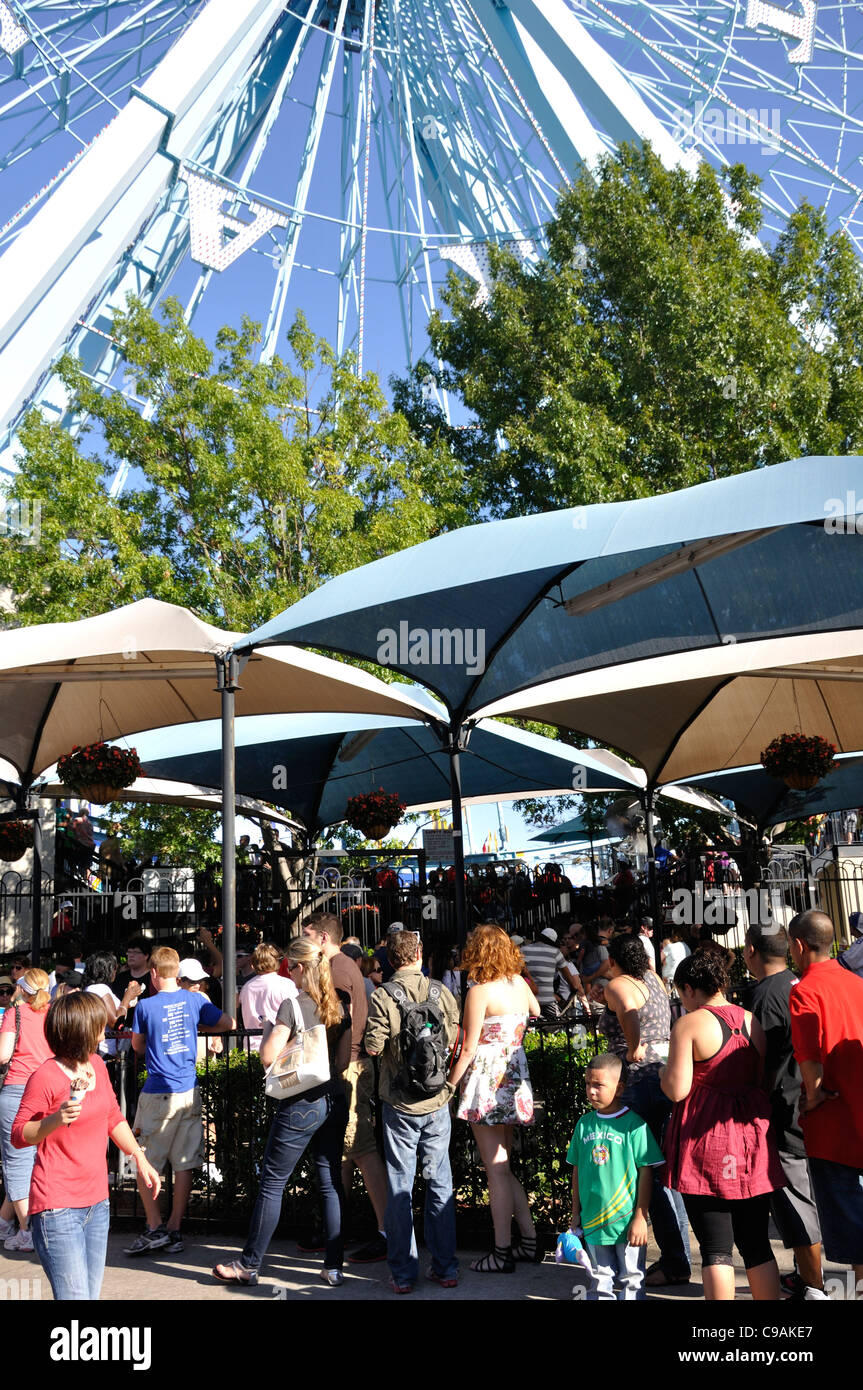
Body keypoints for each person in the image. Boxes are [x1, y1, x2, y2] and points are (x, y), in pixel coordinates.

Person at [212, 936, 350, 1288]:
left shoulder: (293, 1005)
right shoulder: (339, 1005)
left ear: (300, 967)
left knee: (273, 1183)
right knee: (330, 1183)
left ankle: (249, 1264)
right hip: (333, 1098)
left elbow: (268, 1055)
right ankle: (333, 1267)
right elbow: (344, 1060)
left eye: (291, 965)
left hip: (300, 1103)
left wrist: (274, 1030)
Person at [11, 992, 161, 1300]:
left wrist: (139, 1157)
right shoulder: (45, 1076)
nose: (103, 1030)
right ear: (80, 1030)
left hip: (97, 1203)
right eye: (98, 1024)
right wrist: (56, 1118)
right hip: (57, 1208)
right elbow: (18, 1134)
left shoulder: (97, 1064)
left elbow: (113, 1117)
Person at [661, 952, 784, 1300]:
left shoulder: (689, 1024)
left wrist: (661, 1074)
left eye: (681, 994)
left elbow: (677, 1088)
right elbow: (758, 1078)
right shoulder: (750, 1020)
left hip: (707, 1141)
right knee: (757, 1243)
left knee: (716, 1248)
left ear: (688, 988)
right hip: (751, 1139)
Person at [364, 929, 460, 1294]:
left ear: (391, 957)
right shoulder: (441, 992)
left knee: (400, 1186)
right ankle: (445, 1267)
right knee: (439, 1184)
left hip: (399, 1102)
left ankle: (404, 1273)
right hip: (436, 1101)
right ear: (419, 954)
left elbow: (373, 1046)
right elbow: (452, 1039)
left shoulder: (384, 995)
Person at [125, 946, 233, 1256]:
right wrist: (196, 1027)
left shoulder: (145, 1007)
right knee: (184, 1163)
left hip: (157, 1091)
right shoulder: (196, 999)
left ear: (155, 974)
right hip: (189, 1089)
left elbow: (137, 1047)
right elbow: (227, 1024)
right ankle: (174, 1229)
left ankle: (154, 1225)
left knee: (145, 1160)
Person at [597, 935, 691, 1288]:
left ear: (613, 959)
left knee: (640, 1172)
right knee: (664, 1172)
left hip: (635, 1081)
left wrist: (633, 1047)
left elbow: (629, 1012)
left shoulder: (617, 984)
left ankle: (665, 1261)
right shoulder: (651, 977)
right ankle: (677, 1257)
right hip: (663, 1076)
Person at [448, 925, 540, 1271]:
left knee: (495, 1170)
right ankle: (528, 1241)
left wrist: (450, 1085)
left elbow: (469, 1046)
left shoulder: (479, 991)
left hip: (486, 1077)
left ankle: (501, 1252)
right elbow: (537, 1010)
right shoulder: (518, 983)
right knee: (504, 1165)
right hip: (513, 1073)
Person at [302, 912, 388, 1266]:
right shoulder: (341, 964)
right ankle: (340, 1228)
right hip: (345, 1065)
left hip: (348, 1067)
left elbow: (335, 1022)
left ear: (323, 937)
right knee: (344, 1152)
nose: (304, 941)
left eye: (307, 934)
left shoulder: (336, 969)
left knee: (361, 1149)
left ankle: (387, 1233)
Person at [743, 924, 825, 1300]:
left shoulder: (762, 995)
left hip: (784, 1114)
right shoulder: (798, 983)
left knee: (797, 1208)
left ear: (751, 952)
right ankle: (807, 1277)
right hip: (810, 1109)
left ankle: (816, 1287)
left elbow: (757, 1062)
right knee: (810, 1200)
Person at [788, 909, 863, 1296]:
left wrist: (813, 1099)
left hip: (835, 1131)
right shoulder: (857, 982)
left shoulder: (804, 990)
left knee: (855, 1237)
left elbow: (810, 1062)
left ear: (799, 945)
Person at [566, 1052, 664, 1300]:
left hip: (626, 1222)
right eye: (588, 1084)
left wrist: (641, 1216)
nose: (591, 1091)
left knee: (632, 1279)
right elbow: (576, 1169)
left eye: (598, 1085)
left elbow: (646, 1171)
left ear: (619, 1088)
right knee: (600, 1278)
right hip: (593, 1221)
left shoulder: (635, 1125)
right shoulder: (583, 1125)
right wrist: (576, 1211)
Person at [0, 968, 52, 1250]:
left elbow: (3, 1055)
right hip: (48, 1091)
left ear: (22, 989)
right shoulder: (54, 1013)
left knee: (16, 1162)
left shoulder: (13, 1014)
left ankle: (25, 1230)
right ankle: (6, 1220)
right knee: (38, 1159)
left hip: (18, 1089)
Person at [238, 943, 296, 1051]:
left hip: (251, 1046)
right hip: (278, 1045)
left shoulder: (246, 987)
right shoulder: (286, 984)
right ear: (277, 961)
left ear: (253, 964)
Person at [521, 926, 585, 1021]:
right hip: (547, 1003)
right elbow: (573, 984)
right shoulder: (555, 952)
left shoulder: (523, 950)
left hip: (527, 1002)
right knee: (557, 1028)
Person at [838, 909, 863, 978]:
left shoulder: (861, 942)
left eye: (850, 926)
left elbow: (844, 962)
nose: (850, 931)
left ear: (855, 927)